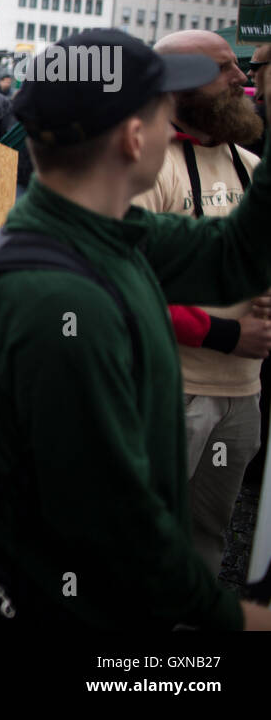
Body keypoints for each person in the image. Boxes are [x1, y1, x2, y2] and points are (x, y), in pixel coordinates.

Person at [0, 28, 271, 630]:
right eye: (165, 116)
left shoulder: (110, 234)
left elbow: (234, 254)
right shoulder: (58, 294)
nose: (174, 130)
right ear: (137, 139)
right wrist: (233, 619)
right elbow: (113, 522)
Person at [130, 29, 271, 576]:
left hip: (243, 395)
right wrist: (230, 335)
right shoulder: (148, 165)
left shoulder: (250, 166)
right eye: (223, 68)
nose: (241, 78)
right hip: (169, 395)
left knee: (206, 539)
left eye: (240, 66)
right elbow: (126, 289)